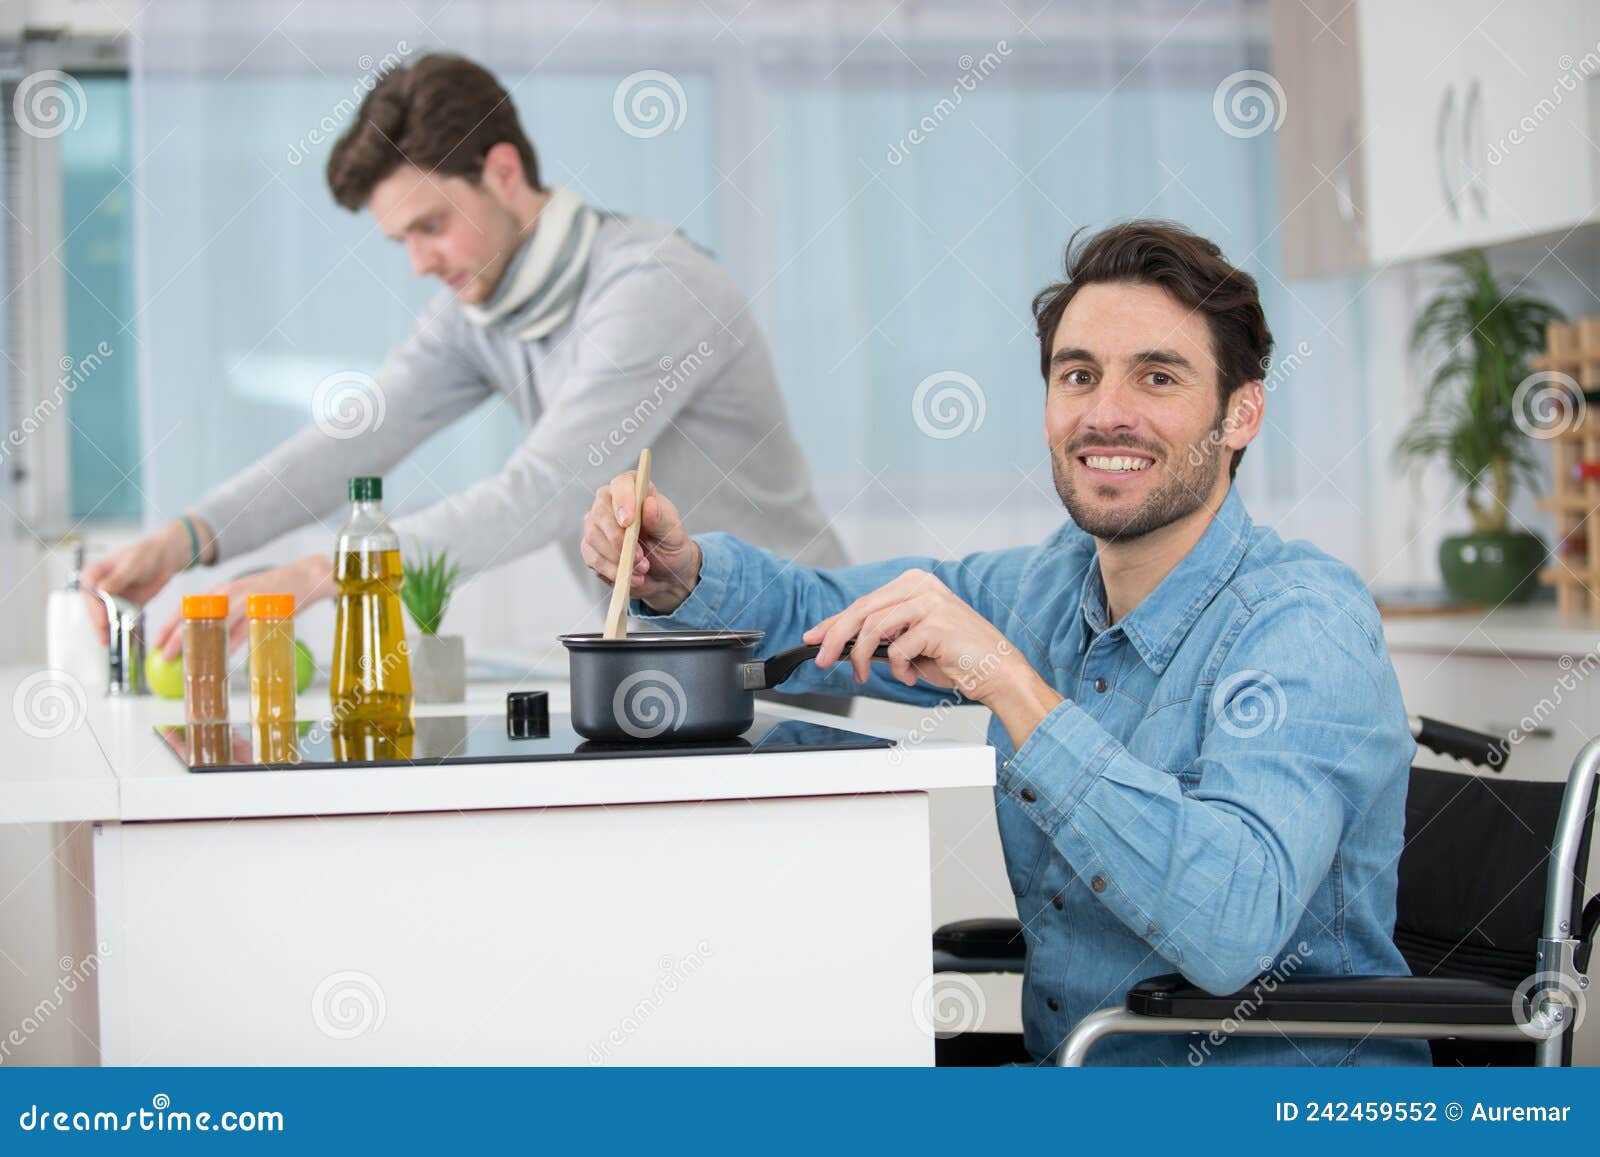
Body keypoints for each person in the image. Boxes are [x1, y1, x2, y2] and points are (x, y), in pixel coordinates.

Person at [580, 220, 1430, 1067]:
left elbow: (1231, 927)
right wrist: (678, 575)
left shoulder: (1305, 623)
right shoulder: (1050, 586)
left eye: (1157, 377)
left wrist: (1010, 684)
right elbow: (820, 611)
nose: (1106, 414)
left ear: (1241, 413)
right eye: (1078, 375)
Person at [83, 53, 844, 655]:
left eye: (431, 225)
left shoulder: (654, 286)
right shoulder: (480, 306)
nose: (419, 262)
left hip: (786, 648)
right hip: (669, 655)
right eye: (401, 240)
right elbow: (359, 435)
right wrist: (184, 540)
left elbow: (543, 489)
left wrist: (327, 571)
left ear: (503, 173)